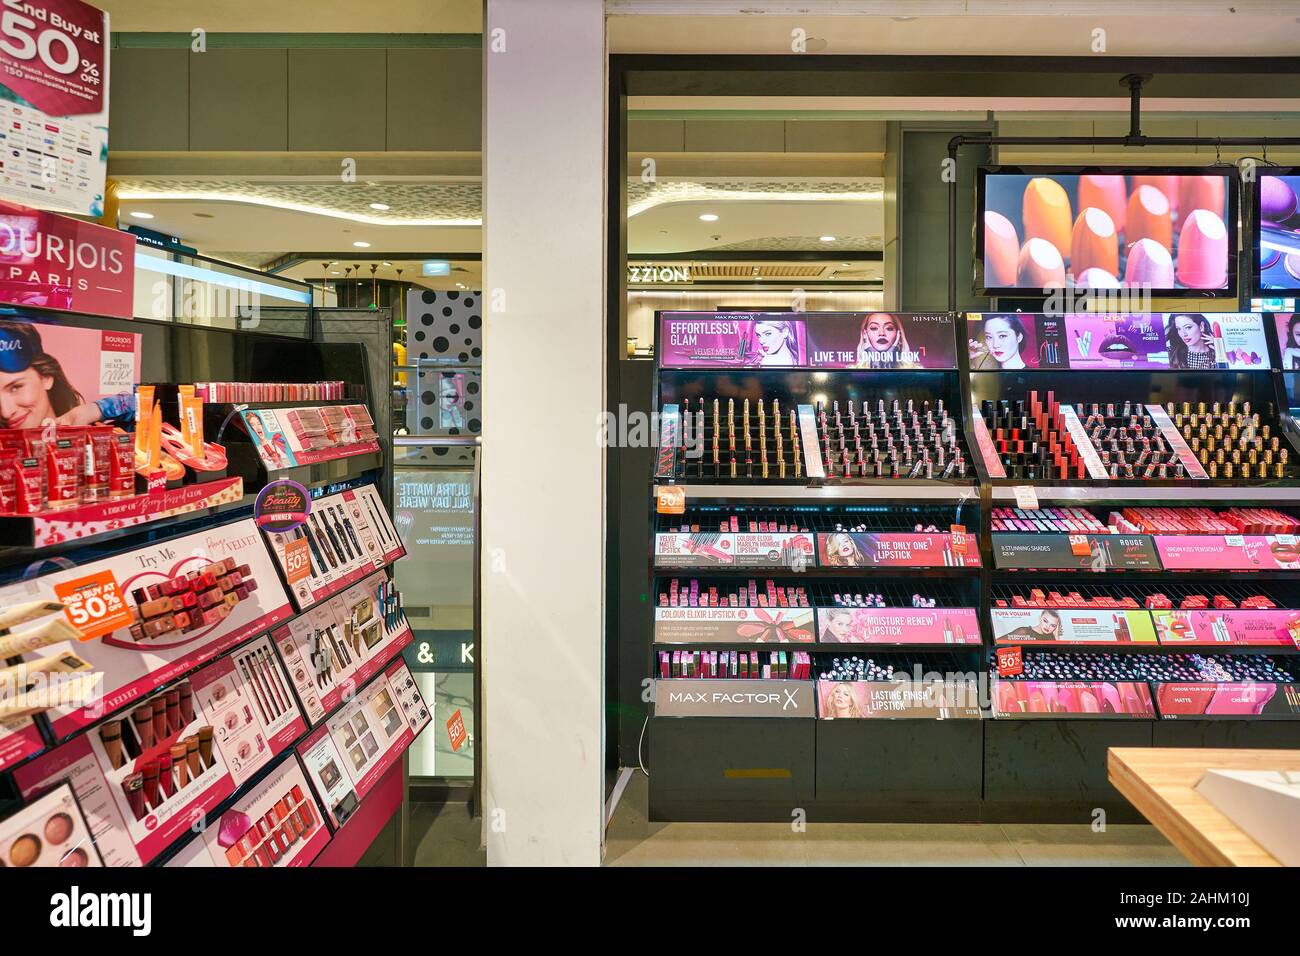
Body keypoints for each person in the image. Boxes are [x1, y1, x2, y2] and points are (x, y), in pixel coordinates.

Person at [0, 320, 133, 429]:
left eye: (15, 387)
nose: (5, 412)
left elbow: (147, 402)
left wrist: (96, 410)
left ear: (46, 377)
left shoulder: (96, 437)